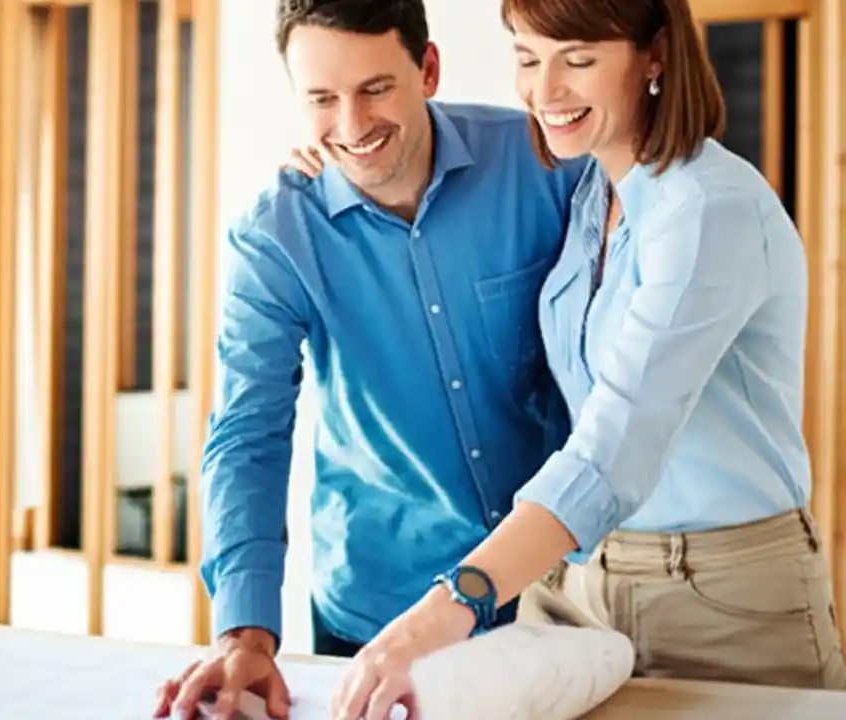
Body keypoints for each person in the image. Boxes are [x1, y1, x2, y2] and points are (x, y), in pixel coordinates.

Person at [282, 0, 846, 717]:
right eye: (527, 59)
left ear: (655, 55)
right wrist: (340, 151)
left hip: (719, 601)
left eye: (577, 60)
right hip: (578, 588)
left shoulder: (709, 208)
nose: (544, 91)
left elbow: (615, 447)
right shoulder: (591, 193)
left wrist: (445, 607)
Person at [151, 1, 586, 718]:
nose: (352, 126)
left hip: (556, 601)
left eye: (375, 89)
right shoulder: (277, 235)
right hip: (377, 615)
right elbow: (248, 434)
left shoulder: (544, 164)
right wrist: (244, 631)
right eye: (322, 99)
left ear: (429, 69)